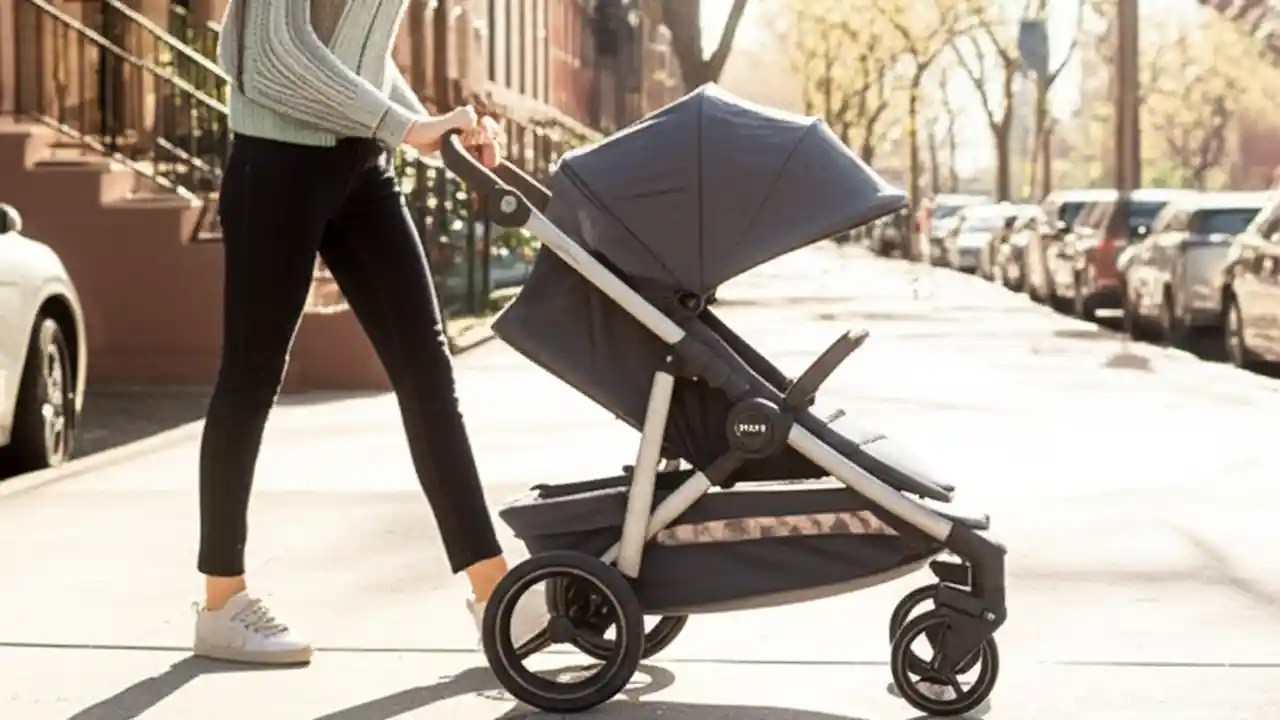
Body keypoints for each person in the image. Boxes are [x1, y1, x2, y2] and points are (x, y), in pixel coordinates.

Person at [193, 0, 545, 665]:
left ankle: (493, 592)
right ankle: (221, 601)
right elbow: (272, 53)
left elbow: (359, 57)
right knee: (250, 377)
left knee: (427, 372)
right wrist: (407, 127)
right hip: (276, 168)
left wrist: (439, 138)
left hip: (359, 168)